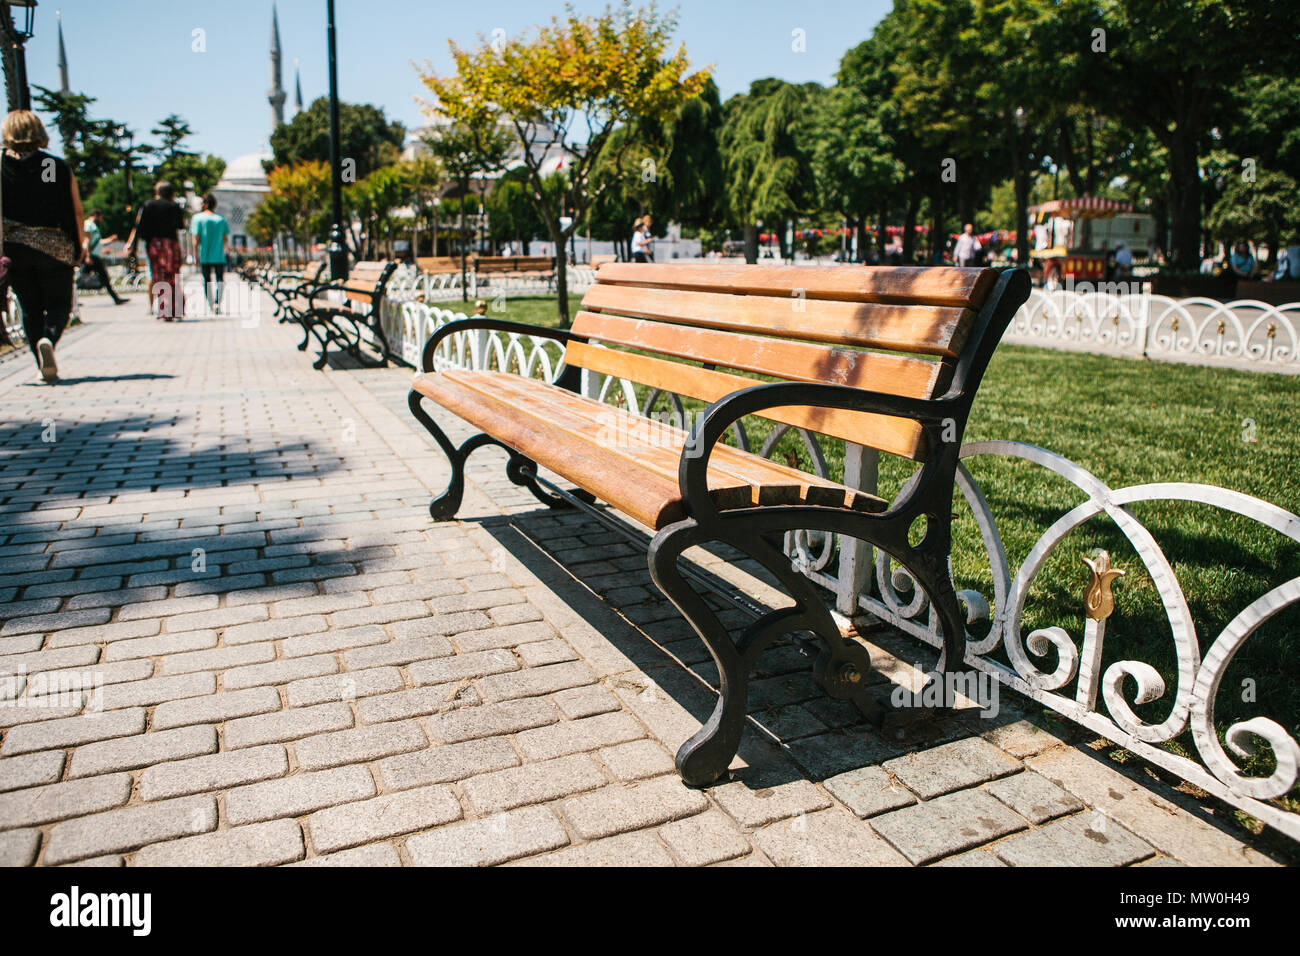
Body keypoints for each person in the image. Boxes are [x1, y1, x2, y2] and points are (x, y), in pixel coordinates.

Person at [1, 110, 83, 383]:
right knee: (60, 306)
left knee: (29, 308)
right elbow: (75, 210)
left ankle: (41, 365)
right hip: (55, 247)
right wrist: (80, 242)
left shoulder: (1, 166)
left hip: (15, 248)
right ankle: (48, 339)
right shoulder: (53, 166)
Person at [125, 180, 186, 320]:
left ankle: (165, 309)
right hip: (171, 243)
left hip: (155, 245)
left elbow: (140, 228)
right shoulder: (174, 206)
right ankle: (176, 308)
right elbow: (180, 226)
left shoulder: (148, 205)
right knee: (173, 276)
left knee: (159, 277)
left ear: (157, 191)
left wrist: (136, 247)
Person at [189, 194, 229, 312]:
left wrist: (195, 253)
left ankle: (211, 304)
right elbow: (225, 239)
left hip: (204, 255)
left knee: (207, 280)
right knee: (220, 279)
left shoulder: (197, 218)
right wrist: (224, 249)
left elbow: (196, 238)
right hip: (219, 256)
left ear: (205, 204)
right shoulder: (221, 220)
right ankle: (218, 302)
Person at [83, 208, 127, 305]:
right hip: (92, 256)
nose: (101, 220)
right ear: (95, 215)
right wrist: (88, 256)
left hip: (93, 256)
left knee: (100, 277)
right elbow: (87, 241)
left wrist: (110, 240)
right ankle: (116, 299)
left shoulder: (93, 226)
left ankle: (116, 299)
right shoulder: (89, 224)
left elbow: (98, 242)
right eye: (100, 217)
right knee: (100, 277)